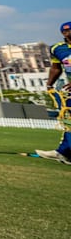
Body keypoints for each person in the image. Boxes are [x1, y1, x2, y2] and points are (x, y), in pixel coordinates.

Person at [36, 21, 71, 165]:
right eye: (67, 31)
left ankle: (63, 152)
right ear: (63, 33)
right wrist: (49, 84)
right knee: (68, 121)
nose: (69, 33)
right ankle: (63, 152)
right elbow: (56, 68)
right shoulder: (57, 48)